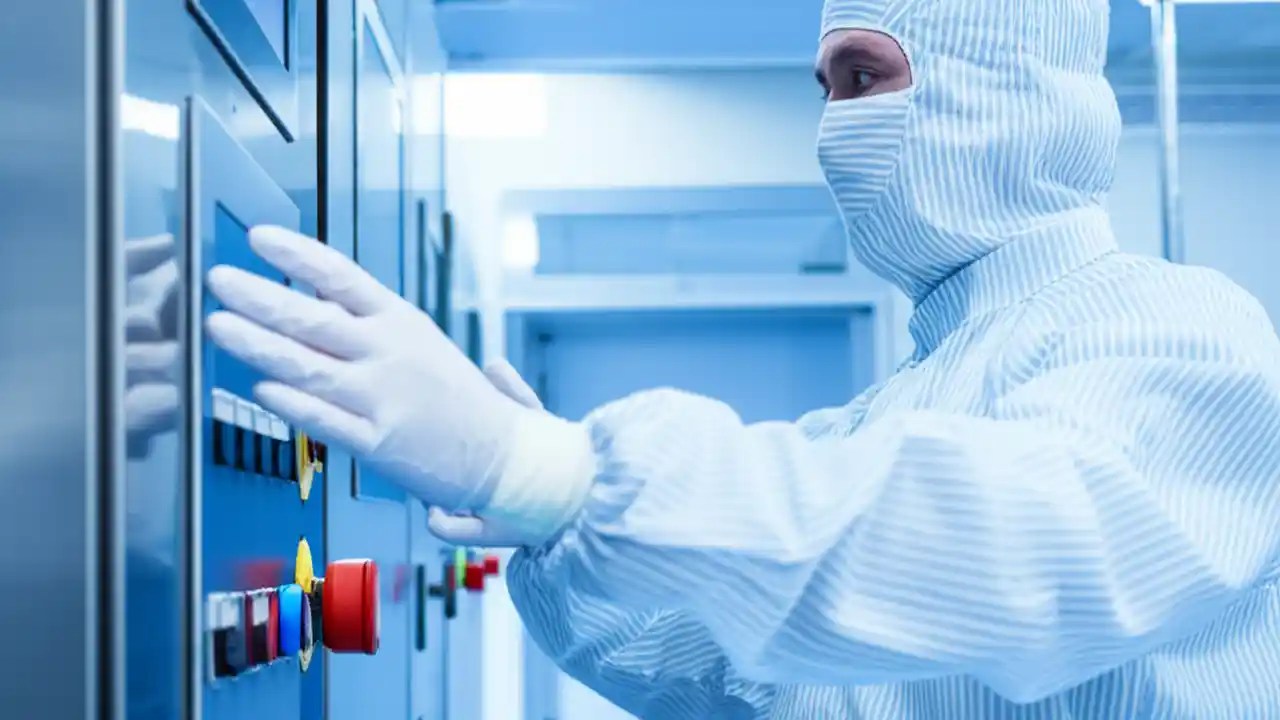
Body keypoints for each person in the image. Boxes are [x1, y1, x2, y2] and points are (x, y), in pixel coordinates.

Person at [205, 0, 1280, 716]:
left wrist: (545, 467)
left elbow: (998, 547)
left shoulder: (1179, 331)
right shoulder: (900, 403)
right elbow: (740, 671)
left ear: (1002, 87)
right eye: (820, 86)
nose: (829, 131)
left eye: (863, 77)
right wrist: (539, 517)